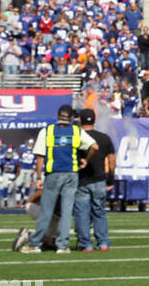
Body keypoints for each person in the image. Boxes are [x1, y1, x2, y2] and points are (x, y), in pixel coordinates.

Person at [22, 104, 97, 254]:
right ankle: (62, 245)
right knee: (66, 212)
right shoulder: (76, 131)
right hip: (71, 174)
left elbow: (40, 157)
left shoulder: (47, 131)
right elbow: (94, 146)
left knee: (46, 211)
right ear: (70, 118)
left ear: (57, 116)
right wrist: (86, 160)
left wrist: (38, 177)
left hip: (53, 173)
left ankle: (35, 243)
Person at [72, 109, 114, 252]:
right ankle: (102, 243)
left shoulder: (76, 137)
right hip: (99, 179)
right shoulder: (104, 138)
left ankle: (86, 244)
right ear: (94, 120)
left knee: (82, 213)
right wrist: (111, 179)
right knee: (100, 211)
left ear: (80, 121)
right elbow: (112, 161)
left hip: (82, 180)